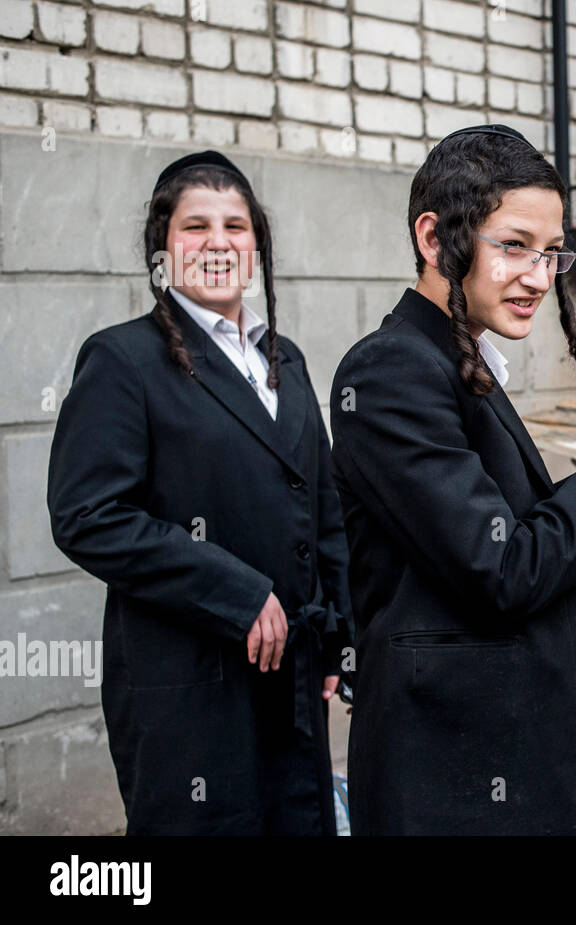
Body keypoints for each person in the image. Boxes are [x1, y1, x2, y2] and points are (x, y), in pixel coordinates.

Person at [331, 123, 576, 835]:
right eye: (514, 246)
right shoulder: (389, 371)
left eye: (551, 254)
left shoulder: (460, 360)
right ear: (433, 238)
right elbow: (502, 567)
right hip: (458, 782)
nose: (540, 277)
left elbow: (524, 545)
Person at [46, 150, 353, 835]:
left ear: (256, 246)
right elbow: (87, 516)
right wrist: (238, 593)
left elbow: (322, 502)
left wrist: (337, 634)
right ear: (163, 249)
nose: (218, 241)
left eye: (236, 225)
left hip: (292, 675)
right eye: (196, 226)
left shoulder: (286, 358)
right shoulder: (124, 359)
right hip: (188, 680)